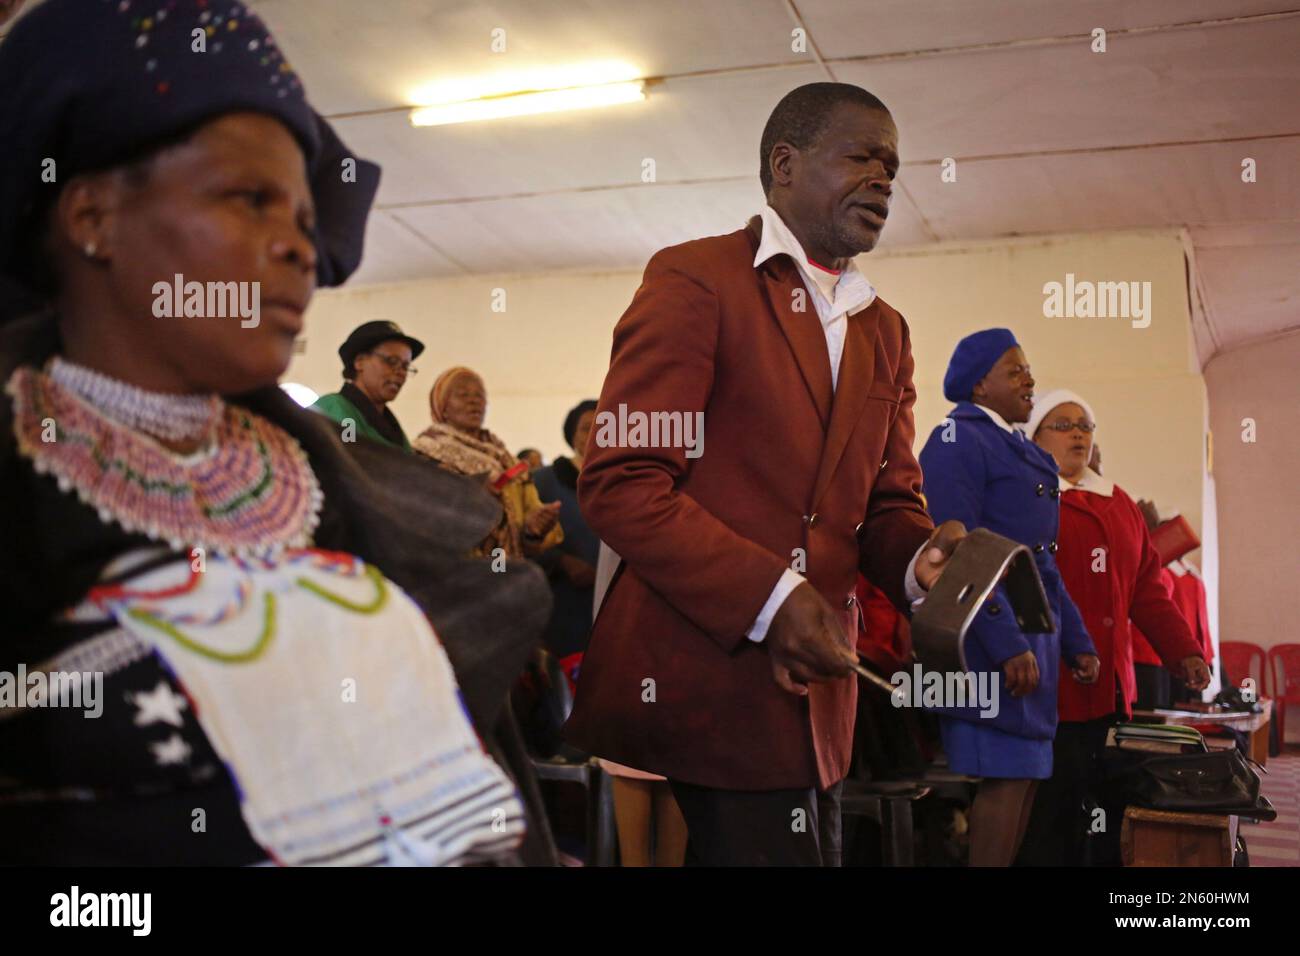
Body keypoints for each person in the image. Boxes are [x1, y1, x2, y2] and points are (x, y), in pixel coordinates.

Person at [0, 0, 553, 866]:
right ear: (91, 216)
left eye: (302, 219)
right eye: (248, 199)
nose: (296, 249)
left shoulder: (322, 480)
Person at [568, 82, 966, 866]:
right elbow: (622, 480)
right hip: (711, 679)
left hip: (822, 691)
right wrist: (772, 596)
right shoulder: (696, 280)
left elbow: (887, 502)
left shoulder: (884, 329)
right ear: (785, 163)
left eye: (893, 166)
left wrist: (920, 559)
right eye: (862, 156)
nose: (885, 179)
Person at [917, 330, 1100, 867]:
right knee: (1003, 781)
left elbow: (1041, 562)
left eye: (1028, 369)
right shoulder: (957, 440)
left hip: (1032, 645)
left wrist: (1077, 643)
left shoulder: (1020, 450)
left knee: (1024, 781)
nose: (1030, 380)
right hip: (988, 646)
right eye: (1015, 370)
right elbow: (961, 552)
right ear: (979, 383)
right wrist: (1004, 642)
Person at [1016, 389, 1209, 865]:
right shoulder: (1022, 499)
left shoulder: (1118, 503)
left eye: (1084, 425)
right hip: (1046, 687)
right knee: (1047, 818)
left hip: (1109, 689)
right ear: (1034, 437)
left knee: (1105, 814)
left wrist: (1183, 650)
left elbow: (1147, 590)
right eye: (1062, 425)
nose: (1077, 432)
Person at [413, 366, 562, 559]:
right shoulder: (425, 455)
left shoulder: (508, 462)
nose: (474, 401)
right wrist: (470, 498)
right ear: (443, 406)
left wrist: (532, 530)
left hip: (504, 572)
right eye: (463, 395)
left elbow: (530, 531)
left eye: (480, 395)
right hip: (456, 573)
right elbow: (423, 520)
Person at [311, 320, 423, 450]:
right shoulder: (338, 410)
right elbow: (349, 460)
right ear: (359, 362)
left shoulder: (391, 425)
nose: (400, 372)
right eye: (391, 361)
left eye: (405, 366)